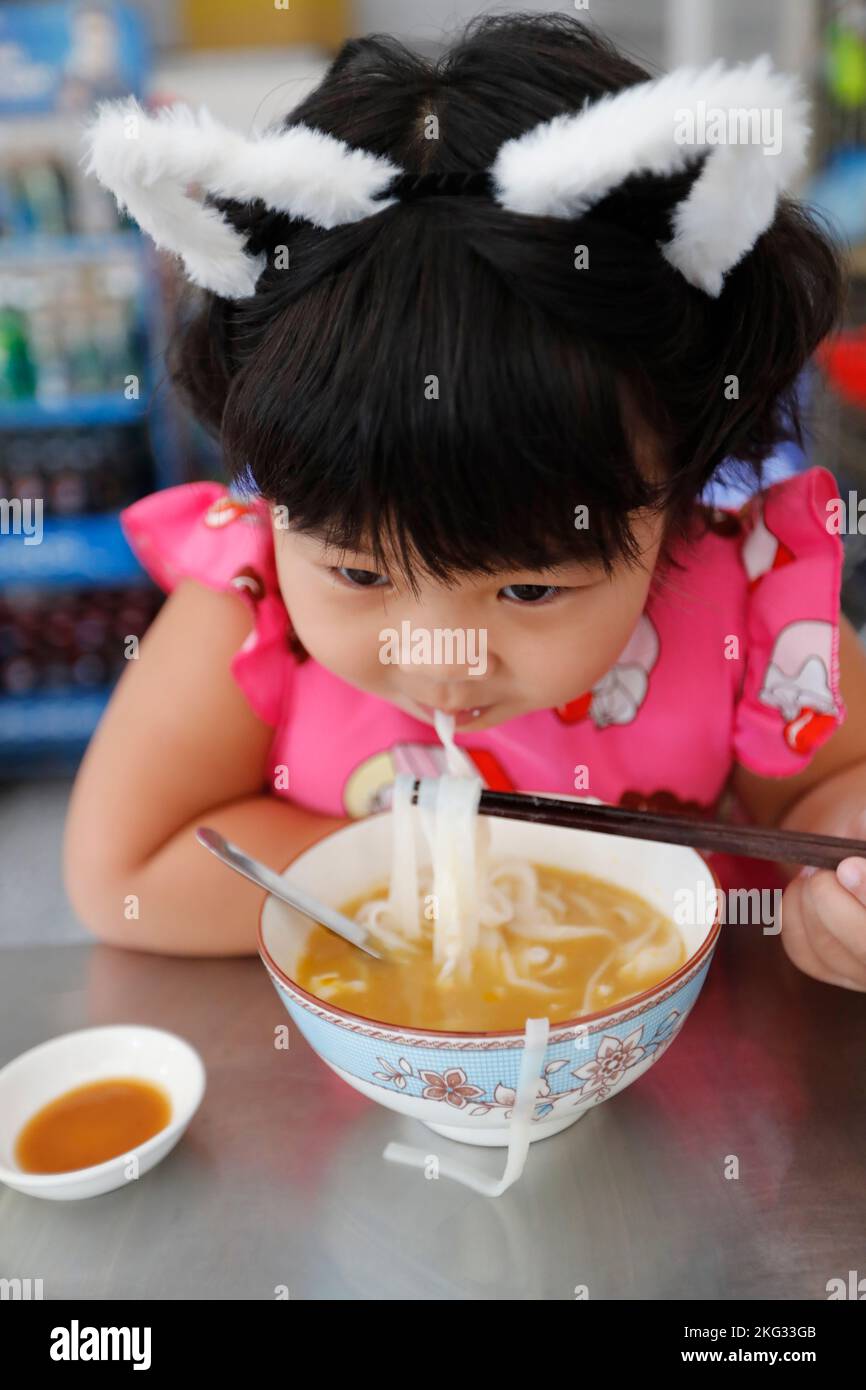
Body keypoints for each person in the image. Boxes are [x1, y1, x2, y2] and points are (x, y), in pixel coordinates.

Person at [64, 15, 866, 993]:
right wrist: (434, 885)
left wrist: (842, 872)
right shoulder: (249, 602)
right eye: (358, 571)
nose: (439, 655)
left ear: (679, 492)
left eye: (527, 590)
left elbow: (828, 793)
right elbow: (125, 872)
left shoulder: (741, 598)